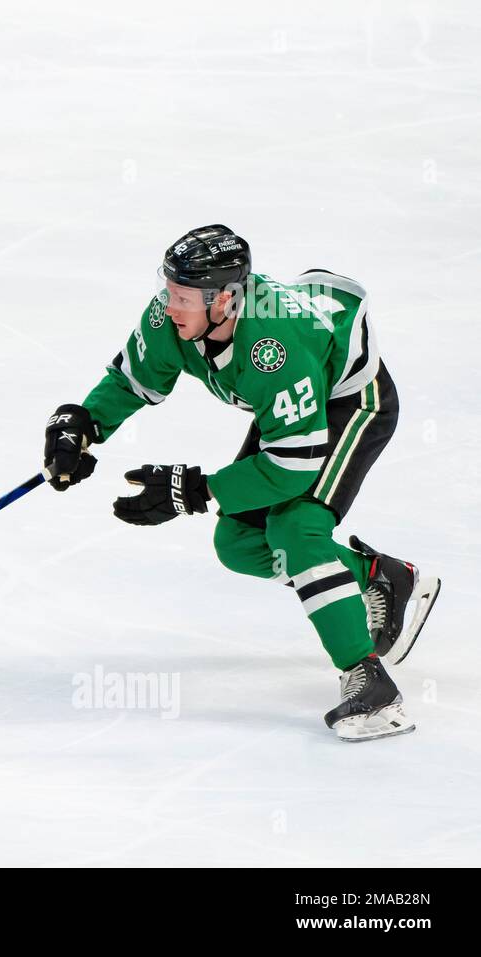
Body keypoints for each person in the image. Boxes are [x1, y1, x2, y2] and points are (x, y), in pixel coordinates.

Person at [43, 224, 441, 741]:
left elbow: (293, 465)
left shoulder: (274, 346)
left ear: (227, 298)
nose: (169, 304)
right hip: (296, 409)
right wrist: (85, 425)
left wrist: (199, 489)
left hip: (352, 404)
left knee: (298, 529)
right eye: (168, 289)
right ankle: (377, 577)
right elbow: (130, 379)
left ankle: (370, 682)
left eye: (183, 296)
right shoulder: (171, 316)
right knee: (240, 544)